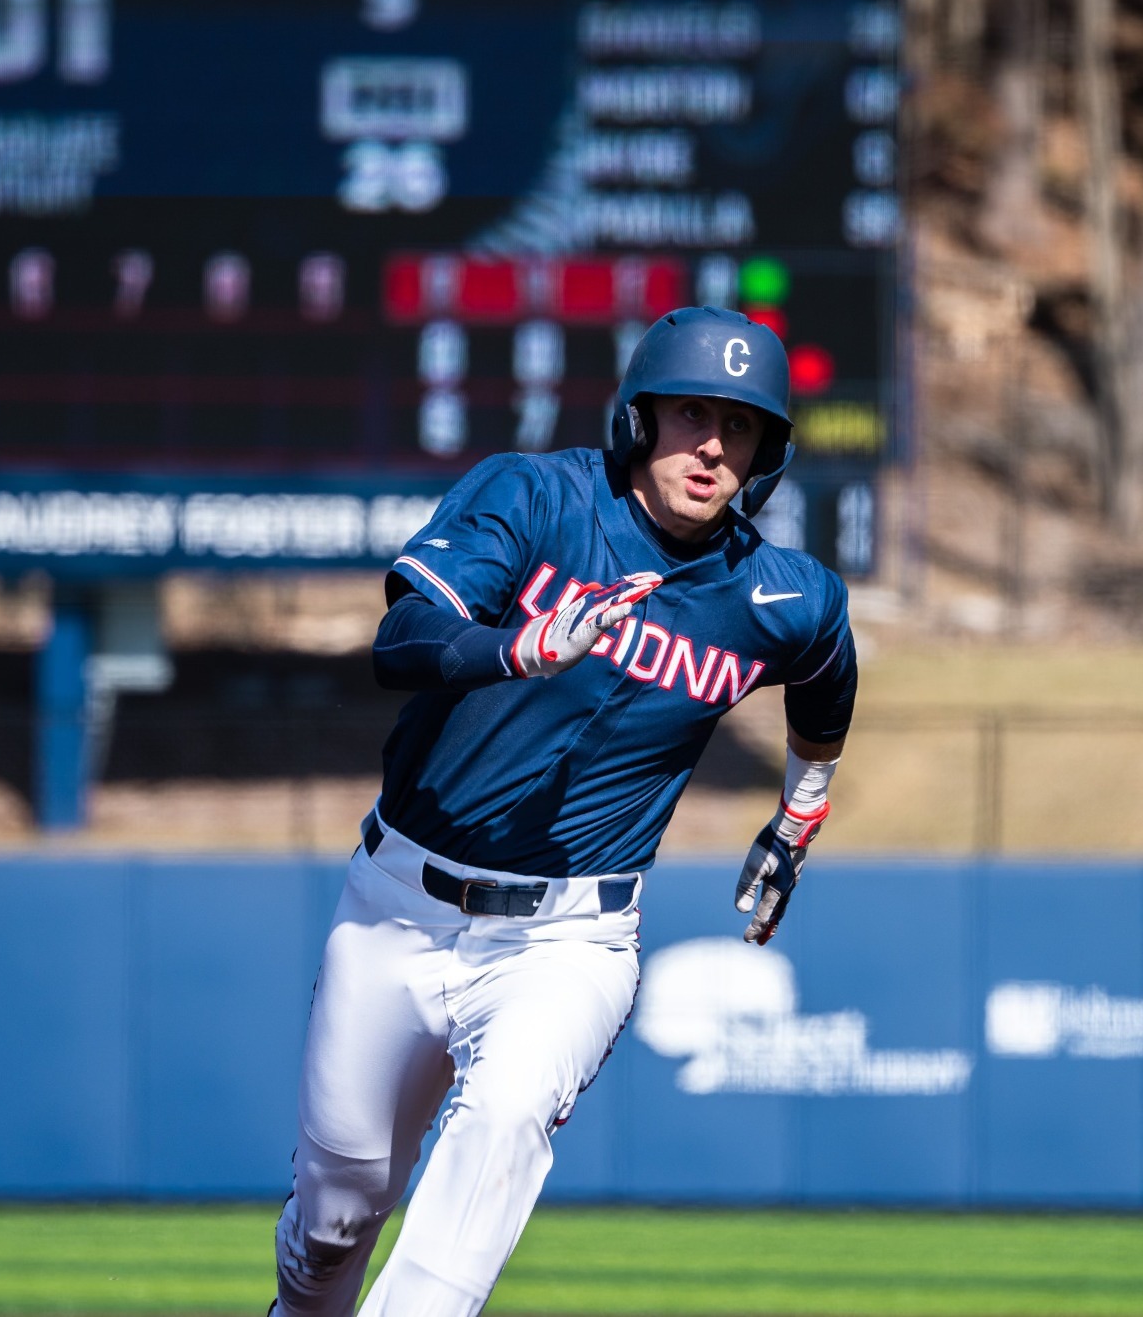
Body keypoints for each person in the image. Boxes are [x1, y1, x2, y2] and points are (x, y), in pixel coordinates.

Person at [270, 306, 857, 1316]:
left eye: (742, 426)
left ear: (766, 453)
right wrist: (520, 646)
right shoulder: (534, 498)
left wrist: (795, 818)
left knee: (500, 1123)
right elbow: (401, 642)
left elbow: (824, 688)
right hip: (397, 907)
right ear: (638, 416)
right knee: (336, 1217)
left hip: (570, 938)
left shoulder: (782, 597)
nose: (713, 445)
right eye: (689, 413)